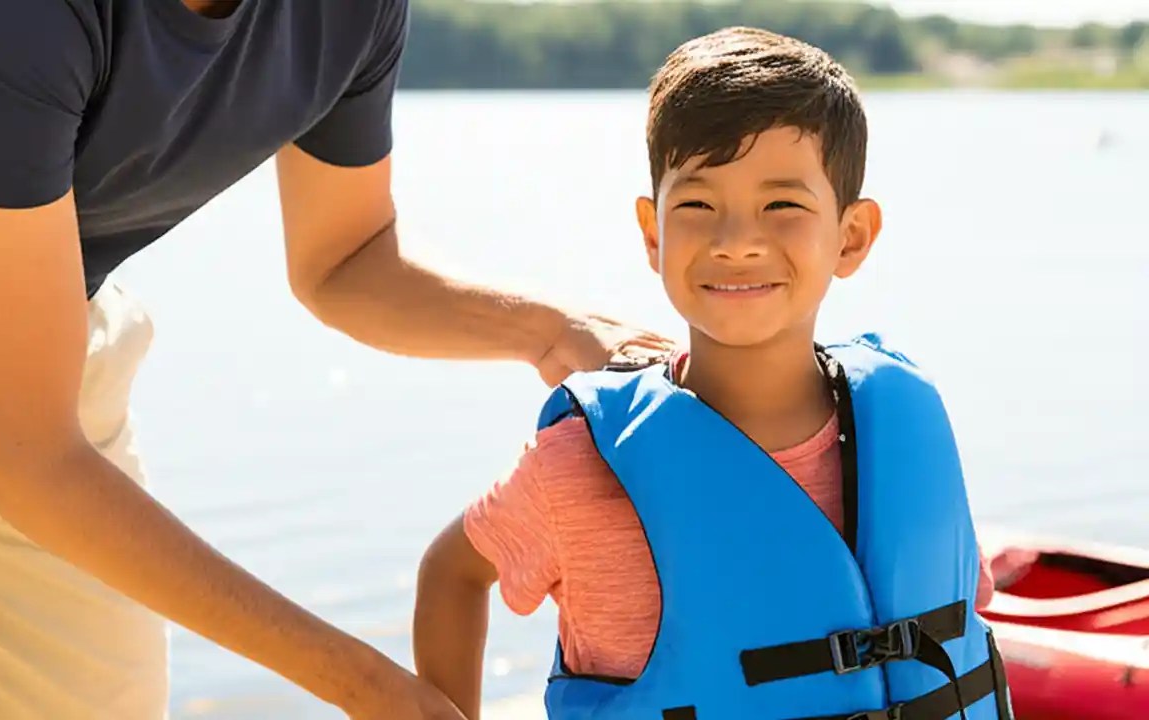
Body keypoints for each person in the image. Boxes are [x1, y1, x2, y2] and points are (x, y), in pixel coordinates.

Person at [0, 0, 671, 718]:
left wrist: (554, 329)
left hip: (51, 350)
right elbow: (30, 457)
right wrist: (364, 685)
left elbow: (345, 258)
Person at [412, 27, 1014, 720]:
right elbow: (453, 574)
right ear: (652, 233)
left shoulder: (907, 419)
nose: (737, 242)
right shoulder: (580, 467)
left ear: (851, 237)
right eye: (697, 206)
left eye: (782, 206)